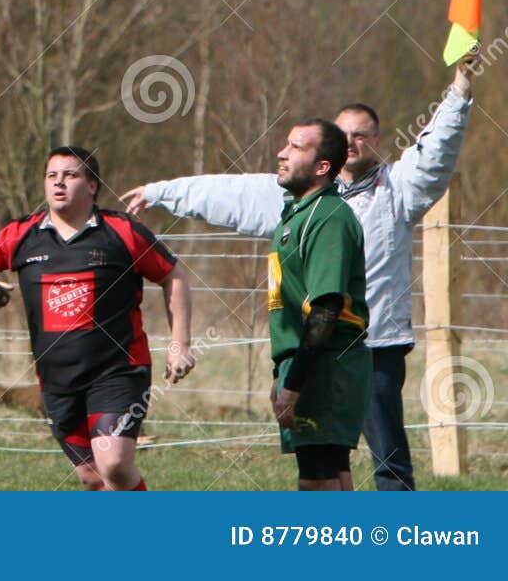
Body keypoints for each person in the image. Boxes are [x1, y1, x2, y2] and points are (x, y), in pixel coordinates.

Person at [123, 60, 473, 489]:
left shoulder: (393, 192)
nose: (352, 142)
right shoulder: (296, 200)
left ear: (376, 140)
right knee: (327, 465)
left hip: (373, 345)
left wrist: (459, 90)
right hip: (315, 349)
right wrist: (162, 193)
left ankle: (401, 540)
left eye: (361, 134)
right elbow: (229, 194)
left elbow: (434, 154)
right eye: (344, 135)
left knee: (384, 460)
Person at [0, 146, 195, 491]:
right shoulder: (22, 234)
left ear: (92, 186)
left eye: (70, 175)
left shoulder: (122, 231)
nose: (59, 183)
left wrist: (181, 345)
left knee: (113, 462)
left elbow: (173, 276)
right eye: (51, 176)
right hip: (57, 380)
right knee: (92, 477)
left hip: (118, 371)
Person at [264, 120, 373, 491]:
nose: (282, 153)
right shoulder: (296, 213)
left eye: (296, 148)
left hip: (326, 367)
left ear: (321, 166)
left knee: (317, 482)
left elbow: (326, 308)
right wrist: (283, 369)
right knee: (332, 472)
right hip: (310, 365)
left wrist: (294, 382)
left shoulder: (328, 217)